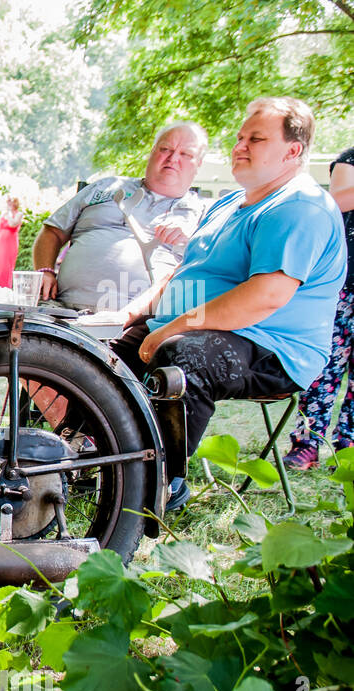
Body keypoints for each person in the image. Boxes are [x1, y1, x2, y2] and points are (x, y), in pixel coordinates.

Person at [102, 98, 346, 510]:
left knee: (182, 356)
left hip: (272, 346)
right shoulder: (229, 202)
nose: (240, 146)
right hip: (201, 325)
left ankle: (159, 484)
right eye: (239, 137)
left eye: (257, 138)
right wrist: (126, 316)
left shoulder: (299, 206)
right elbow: (181, 274)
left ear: (293, 151)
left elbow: (265, 296)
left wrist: (170, 328)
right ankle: (79, 457)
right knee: (99, 355)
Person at [33, 122, 208, 311]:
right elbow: (52, 232)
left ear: (198, 164)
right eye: (166, 149)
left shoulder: (203, 212)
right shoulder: (106, 187)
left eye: (186, 154)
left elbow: (214, 269)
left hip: (140, 322)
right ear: (152, 151)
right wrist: (45, 271)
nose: (173, 158)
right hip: (62, 310)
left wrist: (189, 242)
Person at [283, 146, 354, 469]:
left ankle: (348, 445)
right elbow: (338, 199)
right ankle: (308, 442)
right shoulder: (349, 158)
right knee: (325, 372)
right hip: (343, 284)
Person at [0, 196, 24, 287]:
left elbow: (13, 224)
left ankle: (5, 286)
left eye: (11, 201)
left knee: (6, 265)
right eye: (8, 202)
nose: (9, 203)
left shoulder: (19, 214)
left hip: (10, 243)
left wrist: (8, 213)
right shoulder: (3, 213)